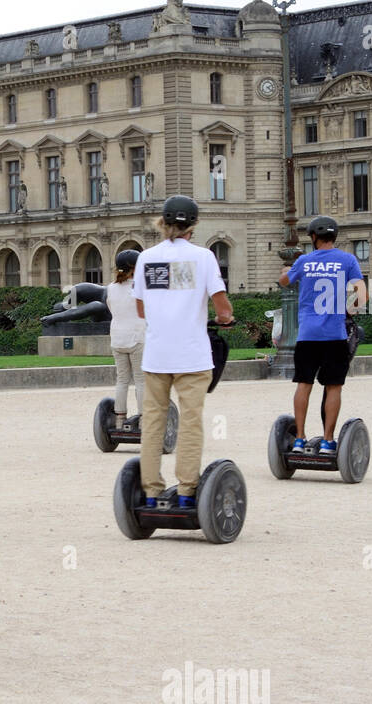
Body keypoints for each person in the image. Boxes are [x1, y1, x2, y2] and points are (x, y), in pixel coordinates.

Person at [130, 195, 234, 508]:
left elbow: (140, 309)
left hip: (158, 355)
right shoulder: (203, 257)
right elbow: (223, 307)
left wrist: (165, 312)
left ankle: (150, 492)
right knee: (190, 422)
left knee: (152, 423)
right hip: (192, 354)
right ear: (193, 225)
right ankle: (187, 491)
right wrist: (223, 318)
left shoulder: (146, 258)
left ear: (163, 223)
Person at [277, 215, 367, 455]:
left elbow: (284, 281)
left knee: (303, 385)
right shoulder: (347, 260)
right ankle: (327, 441)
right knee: (334, 387)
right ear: (334, 236)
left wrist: (287, 270)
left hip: (307, 335)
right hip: (334, 335)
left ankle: (299, 439)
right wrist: (350, 308)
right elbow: (362, 295)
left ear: (314, 237)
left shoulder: (304, 261)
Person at [107, 249, 144, 430]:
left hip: (117, 339)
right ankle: (145, 419)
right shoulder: (139, 286)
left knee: (122, 380)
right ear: (133, 268)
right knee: (141, 380)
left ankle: (120, 419)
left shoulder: (111, 288)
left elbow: (112, 309)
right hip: (137, 337)